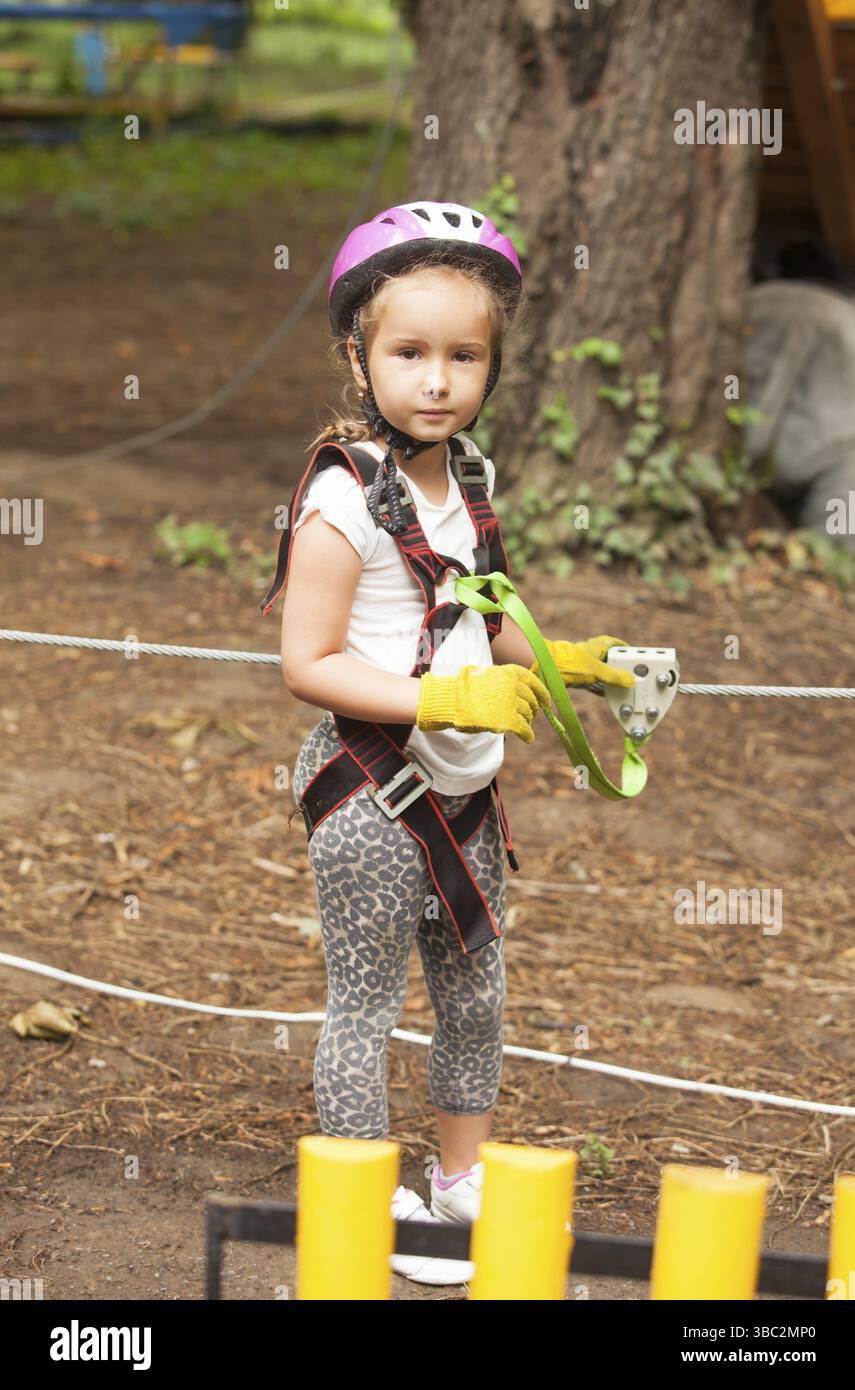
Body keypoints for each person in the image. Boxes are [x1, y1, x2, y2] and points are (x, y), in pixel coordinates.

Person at [261, 200, 633, 1286]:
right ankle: (360, 1195)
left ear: (491, 363)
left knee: (475, 994)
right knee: (367, 1002)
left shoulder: (463, 474)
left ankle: (459, 1182)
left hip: (466, 798)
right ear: (358, 354)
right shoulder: (343, 497)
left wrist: (559, 660)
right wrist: (442, 703)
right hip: (370, 799)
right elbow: (307, 662)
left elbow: (481, 609)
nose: (436, 379)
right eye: (408, 352)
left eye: (462, 356)